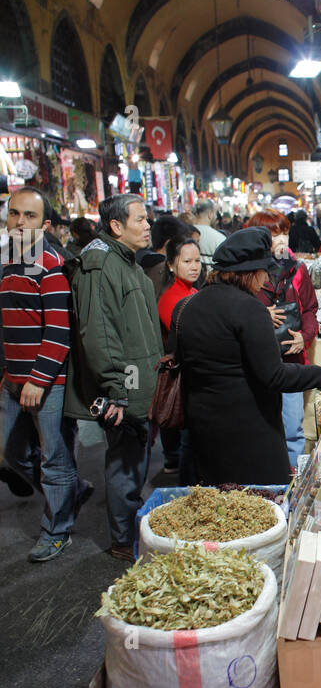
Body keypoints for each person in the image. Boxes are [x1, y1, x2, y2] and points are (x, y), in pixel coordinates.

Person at [175, 228, 321, 484]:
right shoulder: (249, 309)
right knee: (262, 504)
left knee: (220, 504)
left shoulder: (188, 305)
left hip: (204, 429)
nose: (265, 279)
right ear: (249, 273)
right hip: (249, 431)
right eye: (263, 272)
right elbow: (274, 375)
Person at [65, 192, 163, 560]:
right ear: (116, 225)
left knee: (136, 456)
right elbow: (99, 333)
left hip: (139, 379)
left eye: (147, 218)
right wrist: (115, 389)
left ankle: (130, 528)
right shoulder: (101, 264)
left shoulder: (128, 263)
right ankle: (122, 540)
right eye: (140, 219)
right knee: (125, 459)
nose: (147, 225)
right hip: (124, 384)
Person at [0, 186, 91, 560]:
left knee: (54, 458)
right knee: (10, 454)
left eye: (30, 216)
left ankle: (57, 530)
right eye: (15, 214)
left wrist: (38, 379)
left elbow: (58, 332)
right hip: (12, 380)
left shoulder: (50, 264)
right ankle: (70, 488)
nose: (21, 222)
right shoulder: (6, 259)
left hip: (47, 382)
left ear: (46, 224)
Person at [248, 210, 319, 469]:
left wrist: (305, 336)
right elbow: (233, 308)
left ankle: (293, 489)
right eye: (274, 234)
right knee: (260, 431)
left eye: (285, 233)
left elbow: (310, 309)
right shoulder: (248, 272)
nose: (282, 240)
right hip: (258, 363)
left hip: (291, 360)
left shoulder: (298, 269)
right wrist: (258, 313)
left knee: (293, 430)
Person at [157, 236, 201, 484]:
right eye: (187, 261)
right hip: (182, 378)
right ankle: (186, 491)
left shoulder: (193, 292)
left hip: (193, 375)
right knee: (188, 443)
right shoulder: (170, 298)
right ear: (172, 265)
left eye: (197, 260)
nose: (194, 266)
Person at [191, 198, 226, 271]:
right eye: (215, 213)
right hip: (211, 279)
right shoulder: (219, 238)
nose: (216, 217)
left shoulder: (186, 232)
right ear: (210, 214)